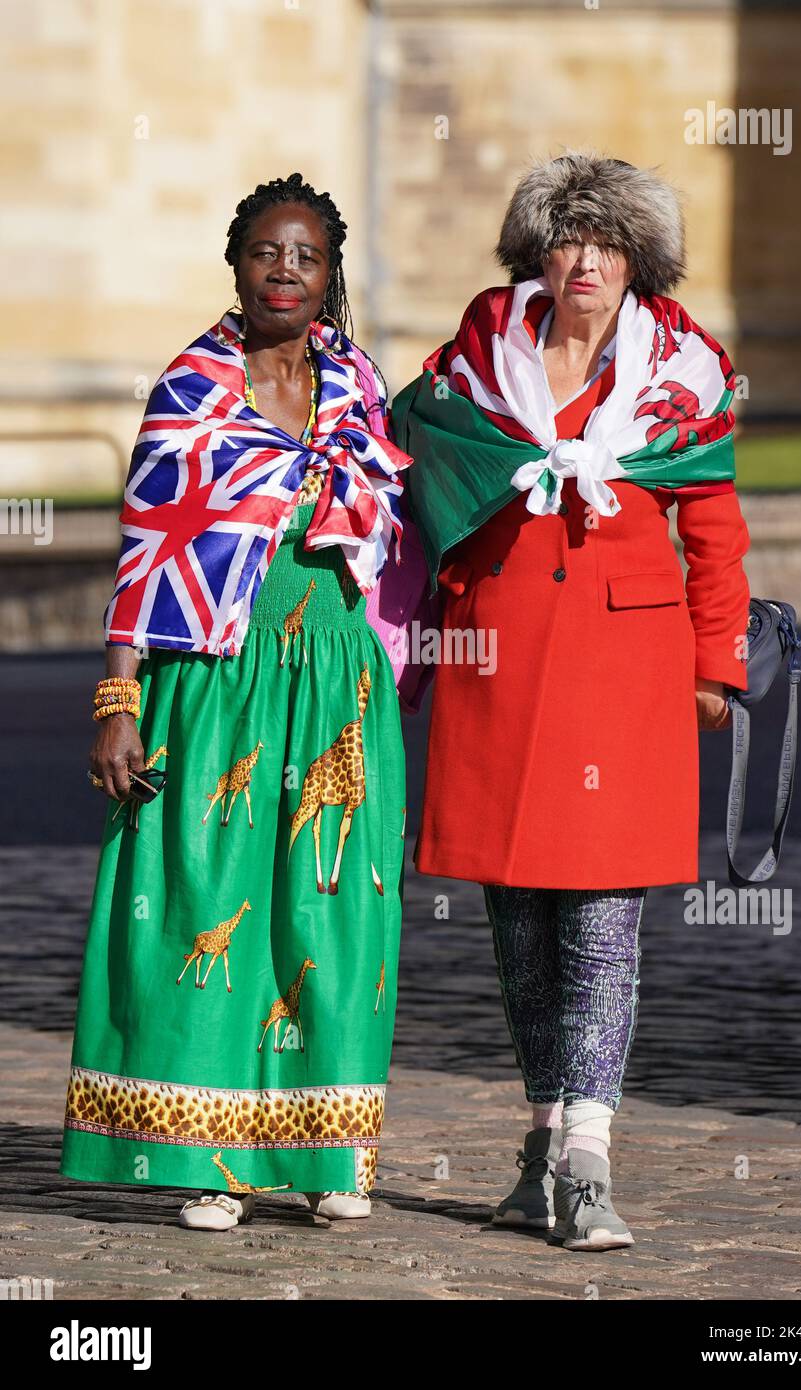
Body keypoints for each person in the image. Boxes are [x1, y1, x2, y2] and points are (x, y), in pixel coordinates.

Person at [393, 153, 751, 1252]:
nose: (586, 261)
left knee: (601, 917)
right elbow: (409, 472)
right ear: (537, 252)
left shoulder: (681, 375)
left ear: (638, 258)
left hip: (628, 673)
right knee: (518, 922)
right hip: (495, 662)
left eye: (608, 243)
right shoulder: (470, 365)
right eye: (568, 239)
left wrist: (715, 666)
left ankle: (589, 1158)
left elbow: (714, 533)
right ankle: (540, 1143)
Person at [60, 174, 411, 1231]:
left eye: (305, 255)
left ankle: (325, 1155)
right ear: (238, 265)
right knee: (205, 905)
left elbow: (395, 534)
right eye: (267, 252)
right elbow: (149, 552)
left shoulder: (359, 386)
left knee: (330, 907)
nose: (286, 271)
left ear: (328, 271)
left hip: (336, 680)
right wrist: (117, 696)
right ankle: (213, 1159)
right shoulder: (190, 389)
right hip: (214, 677)